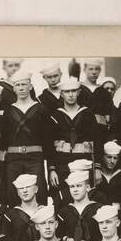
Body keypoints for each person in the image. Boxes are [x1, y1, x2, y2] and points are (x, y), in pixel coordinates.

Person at [0, 72, 50, 205]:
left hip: (35, 158)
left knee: (39, 191)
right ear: (13, 89)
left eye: (24, 84)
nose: (21, 88)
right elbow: (3, 137)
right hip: (13, 159)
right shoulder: (7, 111)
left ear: (30, 86)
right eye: (17, 85)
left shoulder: (41, 109)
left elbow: (47, 137)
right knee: (13, 192)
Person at [48, 77, 96, 205]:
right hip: (62, 162)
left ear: (79, 92)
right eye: (67, 91)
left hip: (84, 161)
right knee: (63, 196)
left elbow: (97, 141)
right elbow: (49, 145)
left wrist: (96, 168)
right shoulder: (54, 116)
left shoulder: (88, 114)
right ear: (61, 93)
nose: (70, 95)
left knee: (85, 195)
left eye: (74, 91)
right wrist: (52, 169)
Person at [60, 170, 101, 241]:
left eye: (79, 186)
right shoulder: (64, 212)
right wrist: (66, 239)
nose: (75, 190)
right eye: (72, 186)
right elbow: (58, 234)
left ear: (87, 187)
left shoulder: (98, 209)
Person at [4, 173, 45, 241]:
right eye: (21, 188)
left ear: (36, 189)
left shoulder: (45, 211)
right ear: (17, 193)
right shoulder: (10, 215)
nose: (25, 190)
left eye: (28, 187)